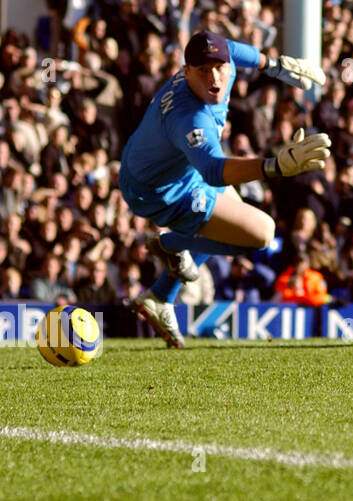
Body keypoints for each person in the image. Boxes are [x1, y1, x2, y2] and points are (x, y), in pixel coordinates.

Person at [116, 30, 330, 347]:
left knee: (238, 219)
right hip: (159, 191)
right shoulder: (189, 118)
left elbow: (232, 49)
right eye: (203, 70)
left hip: (173, 169)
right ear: (186, 72)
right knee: (260, 234)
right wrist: (275, 166)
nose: (214, 77)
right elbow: (215, 171)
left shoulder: (221, 65)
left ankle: (161, 297)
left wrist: (276, 65)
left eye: (220, 67)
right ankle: (172, 244)